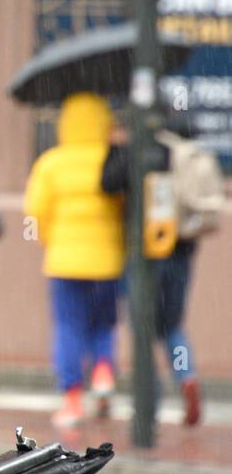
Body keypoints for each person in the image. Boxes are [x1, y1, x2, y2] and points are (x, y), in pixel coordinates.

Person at [101, 113, 222, 426]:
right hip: (180, 251)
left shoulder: (141, 149)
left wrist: (115, 148)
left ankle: (148, 399)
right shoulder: (184, 152)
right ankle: (187, 376)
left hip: (145, 253)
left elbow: (108, 184)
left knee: (142, 328)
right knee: (172, 326)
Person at [22, 92, 125, 428]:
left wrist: (47, 242)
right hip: (107, 261)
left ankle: (72, 400)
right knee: (104, 323)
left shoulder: (51, 162)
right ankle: (104, 373)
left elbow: (35, 212)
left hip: (64, 261)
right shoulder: (112, 160)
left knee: (68, 327)